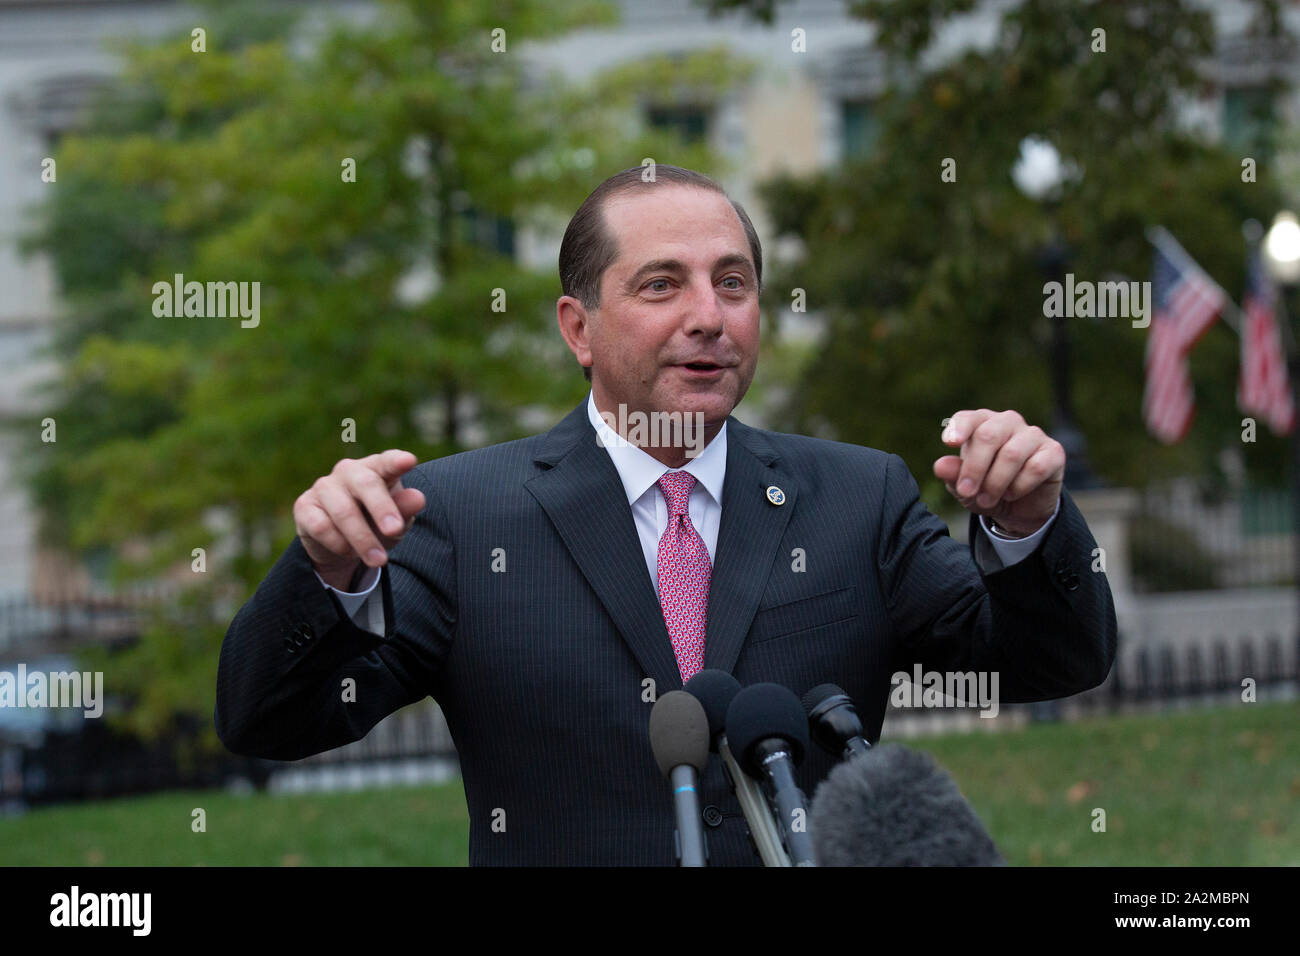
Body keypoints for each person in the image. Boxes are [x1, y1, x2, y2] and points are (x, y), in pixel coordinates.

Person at [215, 165, 1116, 866]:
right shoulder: (462, 516)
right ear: (578, 328)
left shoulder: (857, 496)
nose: (709, 317)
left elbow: (1053, 660)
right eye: (661, 286)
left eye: (733, 283)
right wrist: (328, 574)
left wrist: (1027, 526)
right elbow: (270, 722)